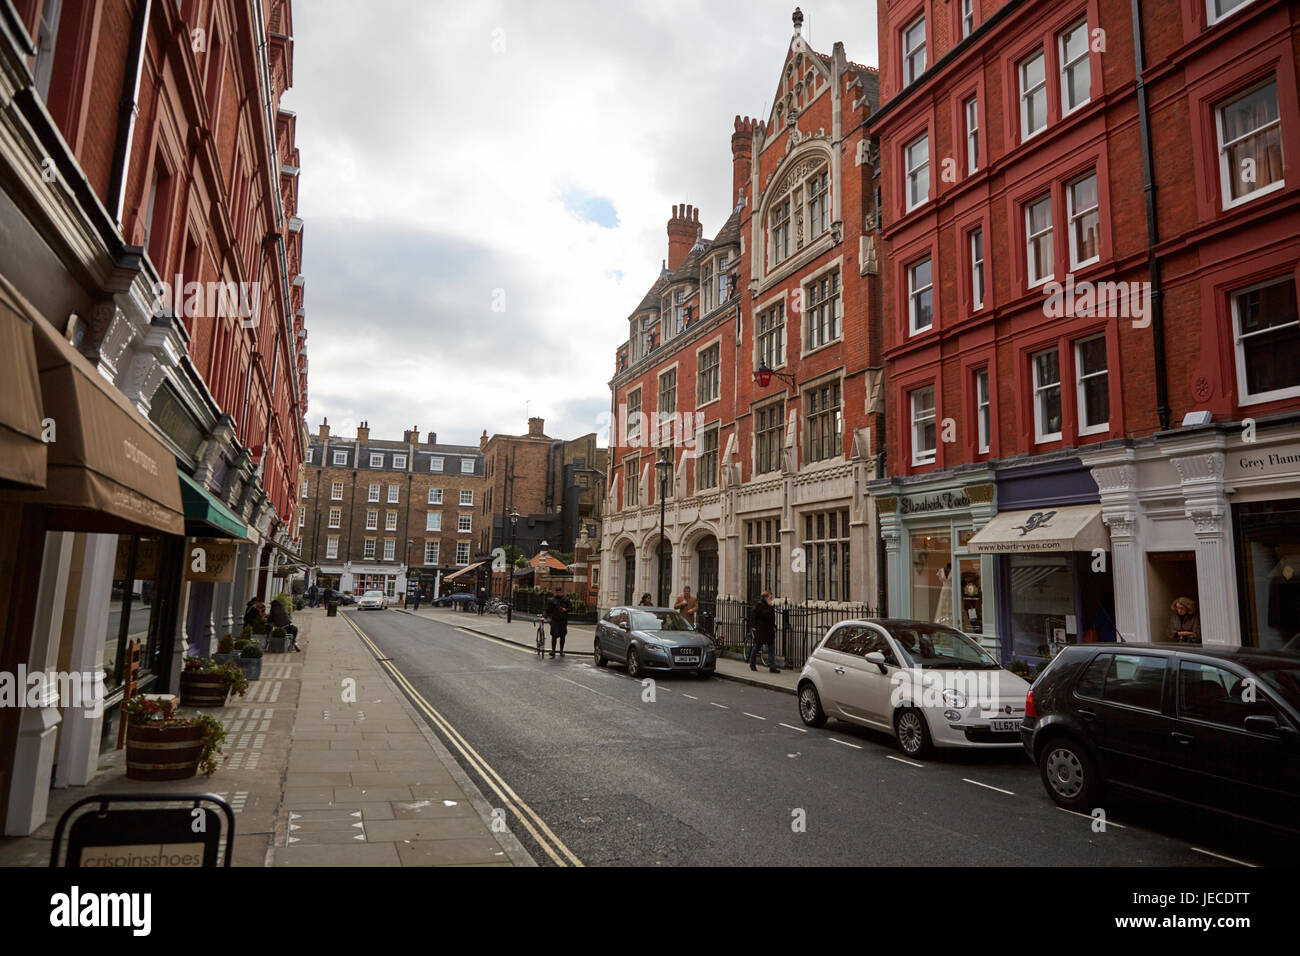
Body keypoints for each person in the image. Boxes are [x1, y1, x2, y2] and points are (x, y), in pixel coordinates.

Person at [749, 590, 778, 673]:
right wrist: (769, 607)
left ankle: (772, 666)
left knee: (771, 648)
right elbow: (763, 615)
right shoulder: (759, 606)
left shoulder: (770, 607)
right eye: (770, 598)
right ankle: (752, 663)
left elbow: (771, 618)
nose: (771, 600)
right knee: (757, 647)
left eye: (771, 598)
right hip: (761, 631)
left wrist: (774, 626)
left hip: (769, 630)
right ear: (765, 598)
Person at [546, 587, 570, 658]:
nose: (558, 593)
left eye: (560, 592)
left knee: (563, 636)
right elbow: (548, 609)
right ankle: (553, 650)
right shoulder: (552, 600)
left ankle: (561, 651)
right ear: (555, 592)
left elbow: (570, 608)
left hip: (563, 620)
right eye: (557, 592)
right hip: (555, 620)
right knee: (554, 635)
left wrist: (566, 609)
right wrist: (545, 616)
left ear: (562, 592)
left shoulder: (566, 599)